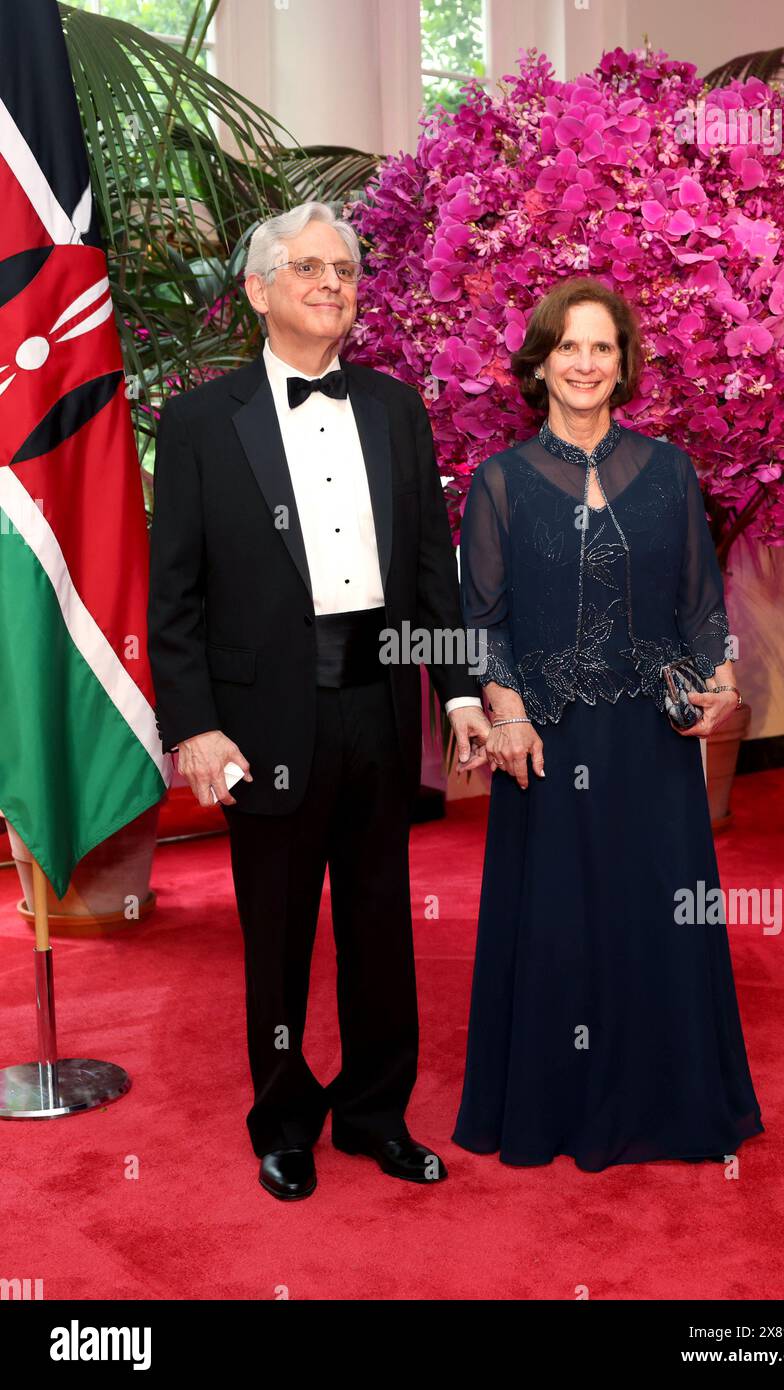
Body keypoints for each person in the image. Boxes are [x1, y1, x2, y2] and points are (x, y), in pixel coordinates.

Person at [147, 202, 489, 1200]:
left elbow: (433, 573)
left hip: (378, 707)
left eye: (344, 267)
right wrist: (197, 725)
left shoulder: (394, 408)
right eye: (308, 268)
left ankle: (376, 1112)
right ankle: (285, 1117)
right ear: (258, 288)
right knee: (280, 932)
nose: (332, 284)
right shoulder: (203, 420)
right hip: (261, 724)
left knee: (383, 925)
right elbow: (176, 598)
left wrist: (460, 692)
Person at [452, 277, 764, 1170]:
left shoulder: (669, 470)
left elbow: (702, 605)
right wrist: (506, 715)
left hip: (649, 743)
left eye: (602, 347)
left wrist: (724, 675)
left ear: (623, 364)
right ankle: (556, 1109)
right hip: (545, 743)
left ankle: (667, 1103)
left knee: (657, 918)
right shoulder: (501, 481)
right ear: (540, 363)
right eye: (569, 347)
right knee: (558, 925)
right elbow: (484, 619)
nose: (585, 363)